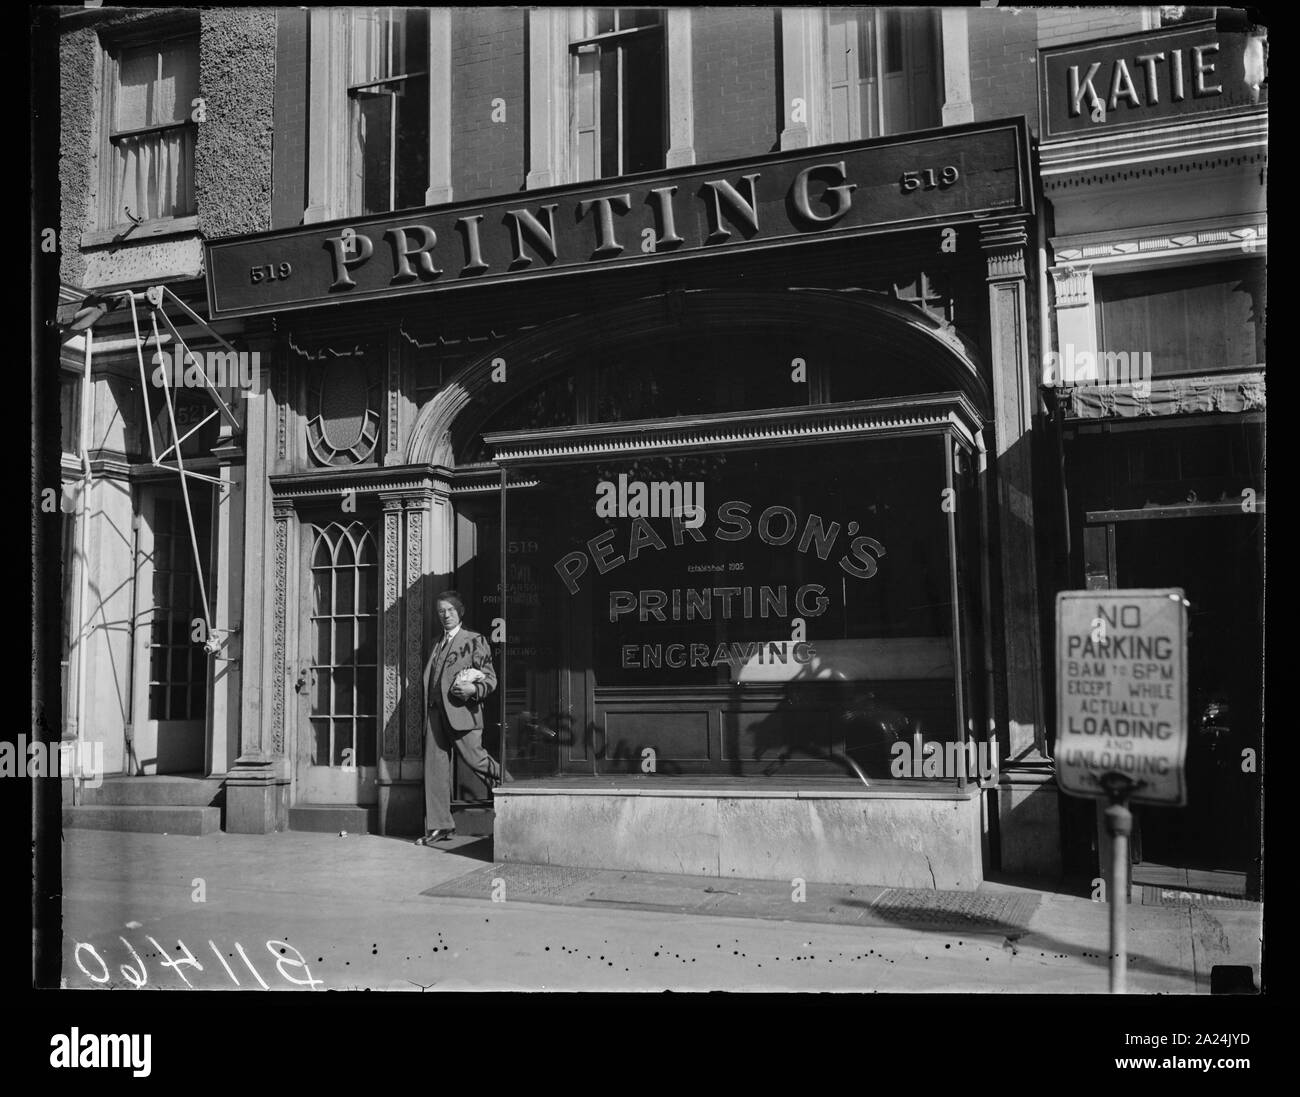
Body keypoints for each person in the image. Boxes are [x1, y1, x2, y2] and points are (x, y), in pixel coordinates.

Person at [416, 591, 500, 845]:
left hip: (462, 713)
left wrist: (474, 689)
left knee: (477, 761)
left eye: (451, 610)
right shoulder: (434, 643)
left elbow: (491, 679)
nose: (446, 615)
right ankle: (440, 826)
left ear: (460, 611)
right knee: (435, 769)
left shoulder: (475, 640)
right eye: (441, 611)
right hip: (434, 713)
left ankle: (515, 788)